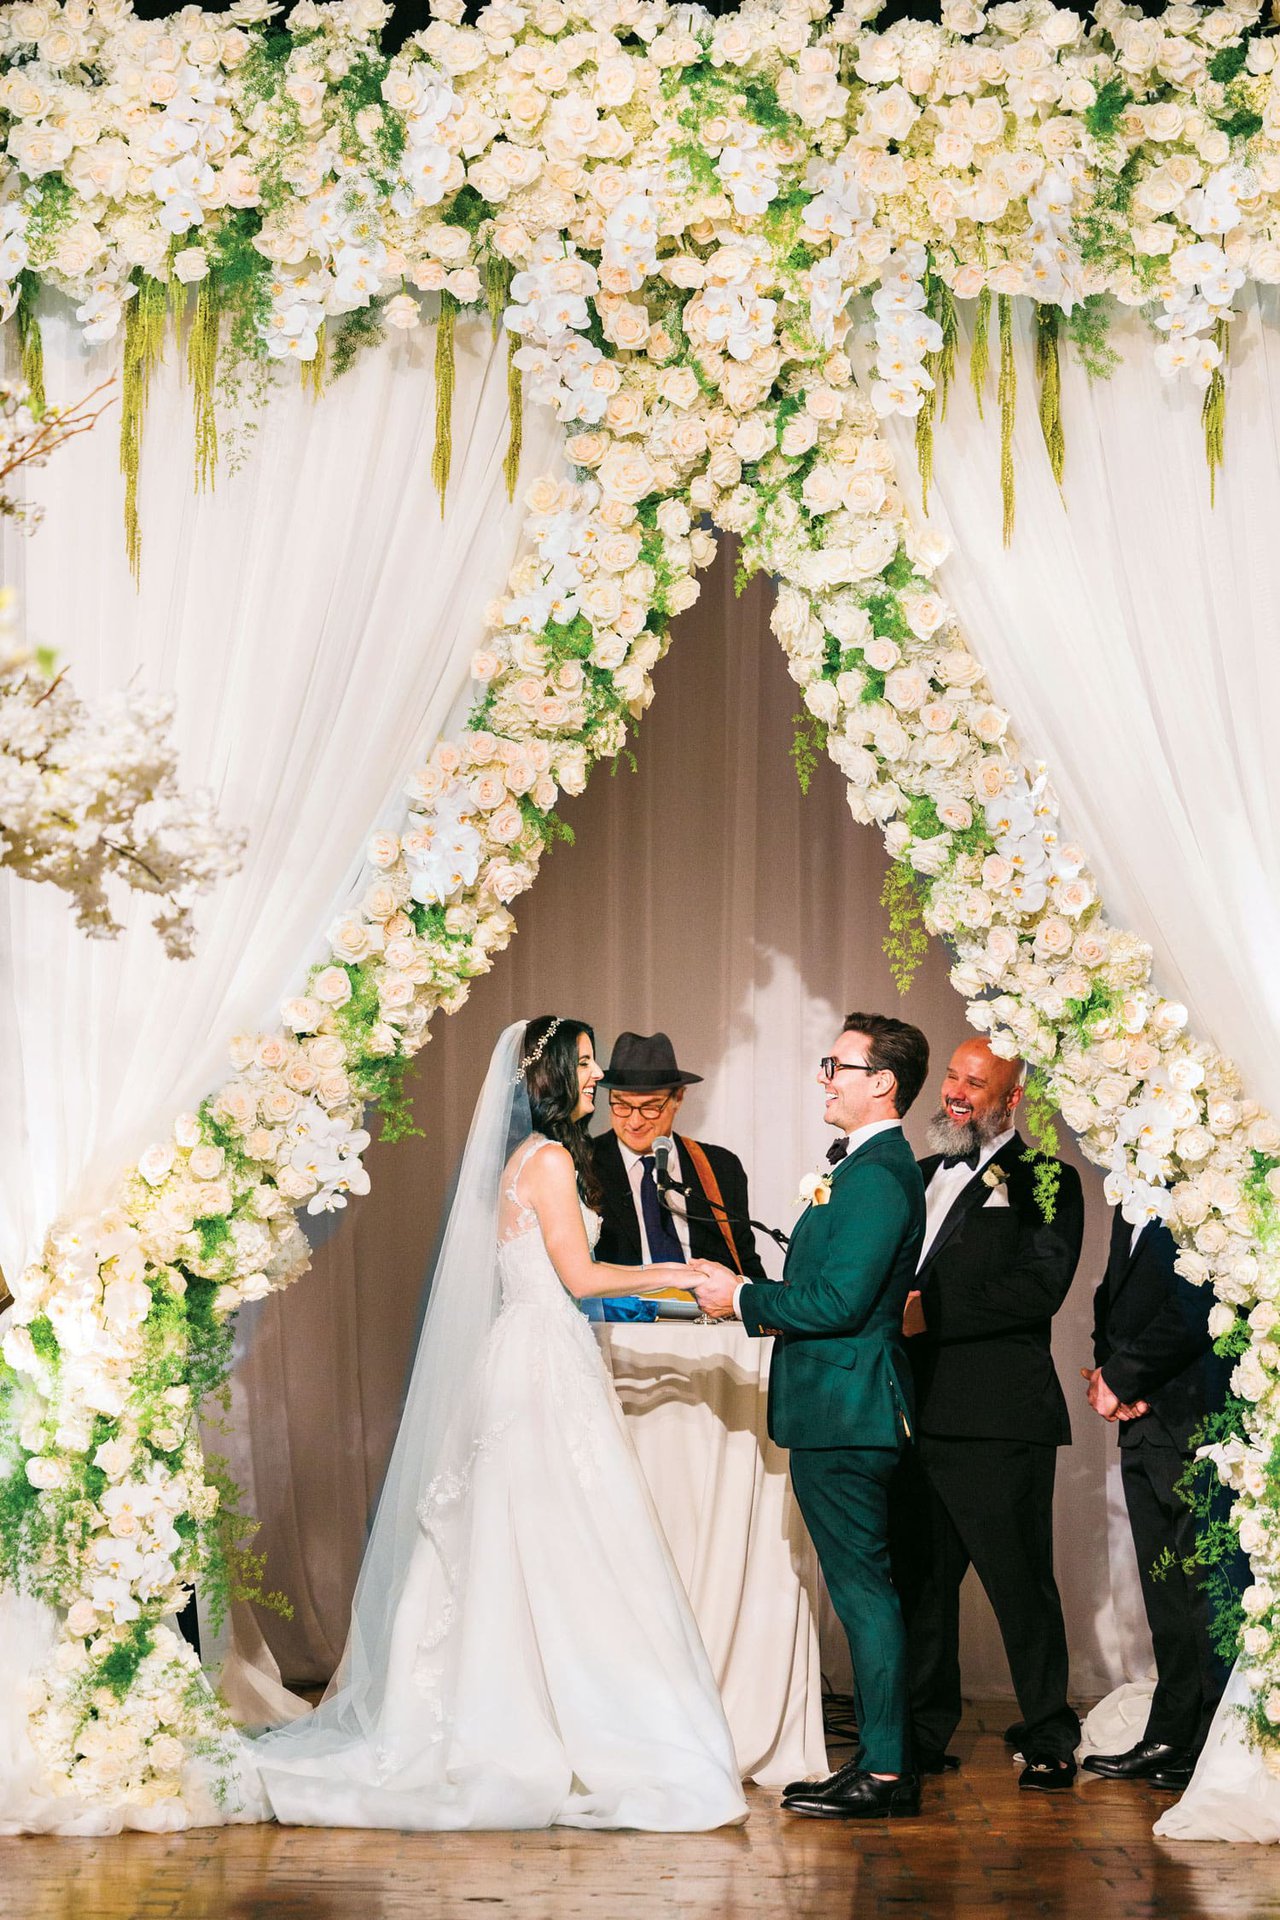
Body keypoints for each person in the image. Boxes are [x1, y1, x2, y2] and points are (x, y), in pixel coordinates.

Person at [249, 1017, 747, 1832]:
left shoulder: (534, 1160)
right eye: (586, 1065)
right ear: (551, 1074)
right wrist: (682, 1271)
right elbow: (580, 1276)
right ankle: (551, 1719)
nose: (596, 1080)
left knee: (529, 1538)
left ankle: (537, 1701)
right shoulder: (547, 1160)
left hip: (538, 1354)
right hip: (540, 1362)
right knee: (562, 1534)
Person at [691, 1011, 929, 1819]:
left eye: (839, 1064)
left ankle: (888, 1773)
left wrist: (743, 1297)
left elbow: (838, 1299)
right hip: (838, 1407)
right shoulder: (865, 1168)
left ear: (882, 1083)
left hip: (849, 1409)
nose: (825, 1077)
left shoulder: (881, 1174)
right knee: (862, 1589)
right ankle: (878, 1762)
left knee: (865, 1592)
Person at [896, 1035, 1084, 1791]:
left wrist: (928, 1313)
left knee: (1020, 1586)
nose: (956, 1092)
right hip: (913, 1416)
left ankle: (1047, 1734)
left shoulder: (1046, 1179)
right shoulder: (913, 1177)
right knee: (923, 1589)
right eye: (952, 1076)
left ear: (1011, 1100)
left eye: (977, 1083)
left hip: (1001, 1421)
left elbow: (1039, 1289)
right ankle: (919, 1732)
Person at [1081, 1211, 1244, 1791]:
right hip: (1142, 1423)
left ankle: (1212, 1742)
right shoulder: (1128, 1200)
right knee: (1164, 1588)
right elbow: (1111, 1301)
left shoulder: (1201, 1183)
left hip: (1194, 1419)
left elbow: (1197, 1307)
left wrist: (1124, 1378)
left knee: (1207, 1588)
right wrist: (1109, 1377)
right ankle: (1172, 1731)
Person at [584, 1030, 767, 1321]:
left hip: (708, 1330)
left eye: (650, 1107)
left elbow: (746, 1267)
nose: (634, 1120)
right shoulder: (583, 1163)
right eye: (620, 1104)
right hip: (619, 1331)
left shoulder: (720, 1167)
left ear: (678, 1098)